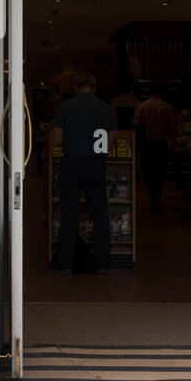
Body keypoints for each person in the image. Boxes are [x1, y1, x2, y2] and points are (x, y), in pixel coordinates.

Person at [51, 71, 116, 274]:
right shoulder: (106, 109)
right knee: (99, 213)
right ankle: (103, 263)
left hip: (71, 163)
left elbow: (56, 140)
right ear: (95, 87)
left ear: (75, 88)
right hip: (96, 164)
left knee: (69, 213)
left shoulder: (65, 108)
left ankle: (66, 264)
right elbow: (109, 143)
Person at [134, 88, 177, 214]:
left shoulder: (141, 106)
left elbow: (136, 124)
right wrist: (174, 143)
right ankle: (156, 201)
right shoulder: (167, 107)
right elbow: (172, 128)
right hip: (161, 144)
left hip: (146, 144)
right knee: (160, 173)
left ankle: (151, 193)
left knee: (148, 172)